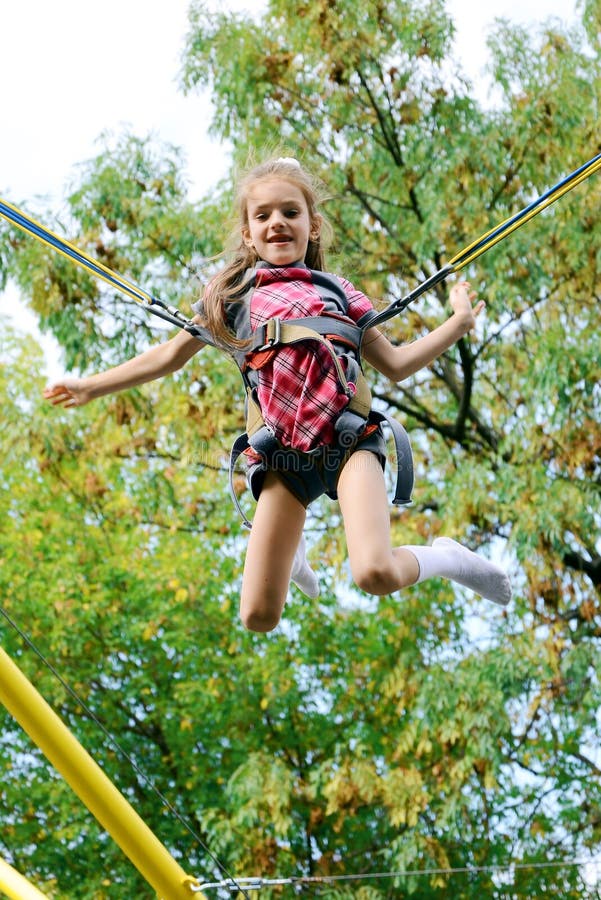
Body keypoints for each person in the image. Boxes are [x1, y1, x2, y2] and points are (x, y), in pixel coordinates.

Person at [44, 156, 511, 633]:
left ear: (313, 226)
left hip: (347, 440)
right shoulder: (232, 296)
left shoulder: (339, 291)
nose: (277, 223)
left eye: (290, 212)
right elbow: (168, 356)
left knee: (375, 573)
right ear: (248, 233)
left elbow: (397, 364)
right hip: (284, 458)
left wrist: (459, 323)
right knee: (258, 616)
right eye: (262, 215)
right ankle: (295, 551)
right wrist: (90, 386)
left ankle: (449, 559)